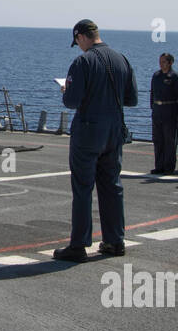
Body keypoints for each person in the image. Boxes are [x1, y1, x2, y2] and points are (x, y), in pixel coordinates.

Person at [55, 19, 137, 262]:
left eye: (77, 41)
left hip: (88, 130)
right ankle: (114, 240)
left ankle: (79, 244)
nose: (78, 46)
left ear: (81, 36)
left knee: (82, 187)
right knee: (112, 185)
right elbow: (131, 99)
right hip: (114, 131)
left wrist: (66, 91)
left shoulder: (83, 61)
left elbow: (71, 101)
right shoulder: (122, 59)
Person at [149, 52, 178, 174]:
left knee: (169, 140)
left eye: (164, 61)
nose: (161, 64)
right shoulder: (156, 75)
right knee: (158, 139)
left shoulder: (175, 76)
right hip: (158, 110)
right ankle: (159, 165)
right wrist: (152, 107)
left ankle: (169, 167)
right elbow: (152, 93)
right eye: (160, 61)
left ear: (170, 63)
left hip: (170, 110)